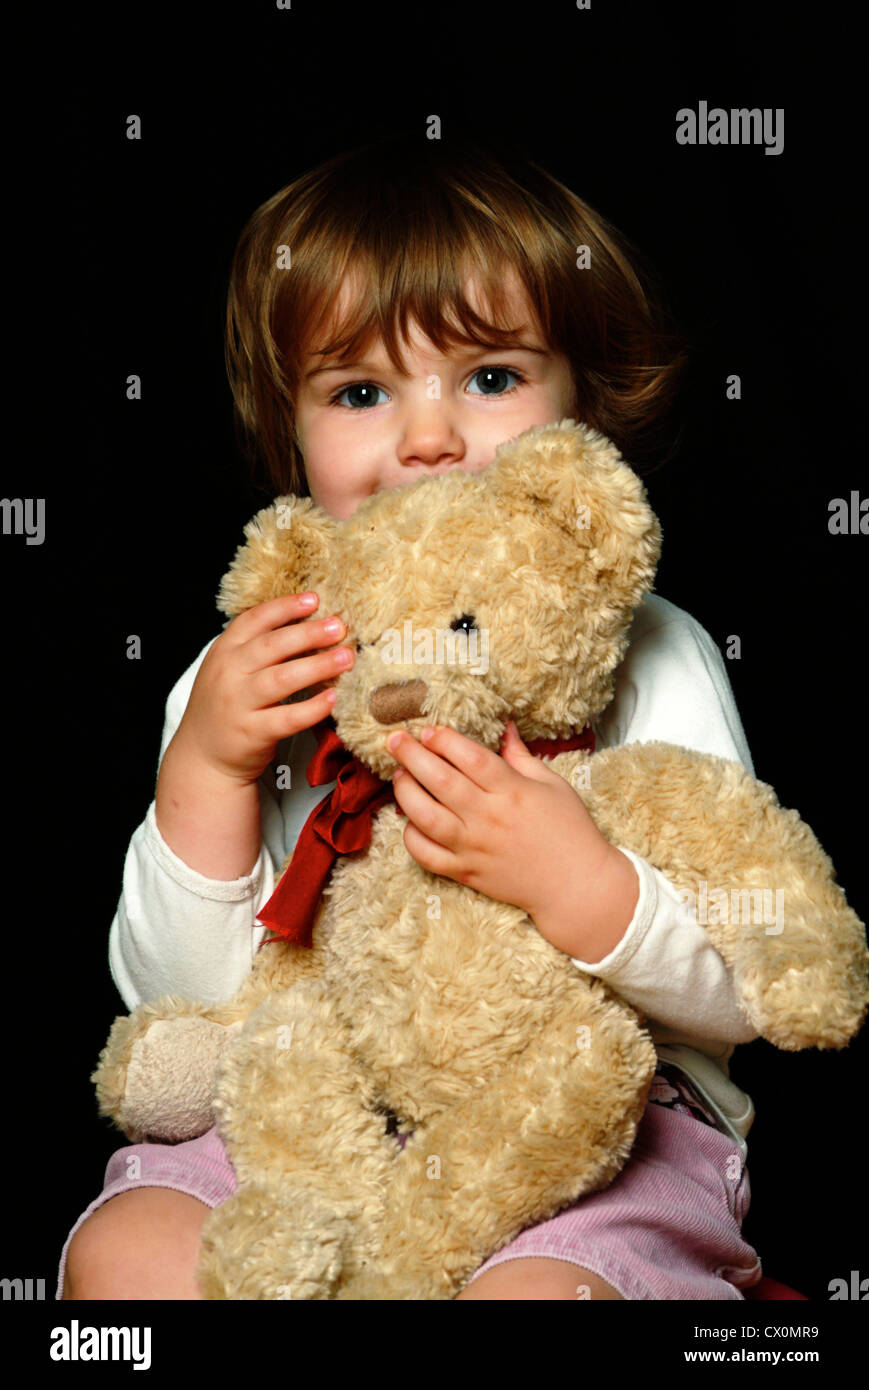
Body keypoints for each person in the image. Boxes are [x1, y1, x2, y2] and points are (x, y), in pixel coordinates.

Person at [59, 134, 764, 1301]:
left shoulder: (646, 651)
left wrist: (575, 880)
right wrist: (208, 771)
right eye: (358, 392)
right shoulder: (252, 667)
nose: (428, 436)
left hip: (589, 1115)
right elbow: (177, 1000)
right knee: (122, 1259)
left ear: (581, 405)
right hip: (311, 1089)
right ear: (290, 435)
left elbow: (748, 974)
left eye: (490, 377)